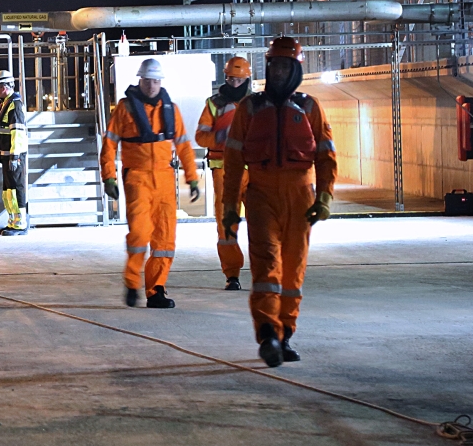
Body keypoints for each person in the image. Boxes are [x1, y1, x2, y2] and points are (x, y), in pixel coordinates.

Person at [222, 37, 337, 367]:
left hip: (301, 195)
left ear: (296, 69)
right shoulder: (249, 107)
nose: (279, 72)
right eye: (275, 66)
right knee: (266, 265)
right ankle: (268, 334)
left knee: (293, 270)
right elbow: (232, 161)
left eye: (286, 66)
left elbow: (326, 155)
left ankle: (285, 334)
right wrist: (231, 206)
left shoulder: (310, 107)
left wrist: (326, 195)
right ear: (268, 68)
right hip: (259, 194)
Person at [101, 58, 200, 309]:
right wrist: (109, 176)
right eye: (148, 81)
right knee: (139, 234)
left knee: (165, 240)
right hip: (137, 177)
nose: (152, 86)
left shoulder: (171, 109)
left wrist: (192, 177)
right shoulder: (124, 109)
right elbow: (109, 145)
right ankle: (132, 282)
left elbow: (184, 146)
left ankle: (156, 290)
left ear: (160, 82)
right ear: (140, 80)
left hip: (165, 179)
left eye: (156, 81)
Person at [195, 56, 251, 290]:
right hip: (224, 172)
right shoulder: (214, 104)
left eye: (239, 80)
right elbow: (200, 136)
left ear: (247, 79)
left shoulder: (258, 103)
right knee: (226, 226)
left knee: (265, 223)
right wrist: (219, 137)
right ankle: (232, 274)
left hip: (255, 171)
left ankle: (267, 270)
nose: (234, 84)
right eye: (230, 79)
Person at [0, 69, 29, 236]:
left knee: (16, 188)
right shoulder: (6, 103)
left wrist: (15, 156)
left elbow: (18, 132)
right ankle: (13, 221)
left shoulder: (14, 104)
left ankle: (20, 223)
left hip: (14, 156)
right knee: (8, 190)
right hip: (7, 156)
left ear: (5, 86)